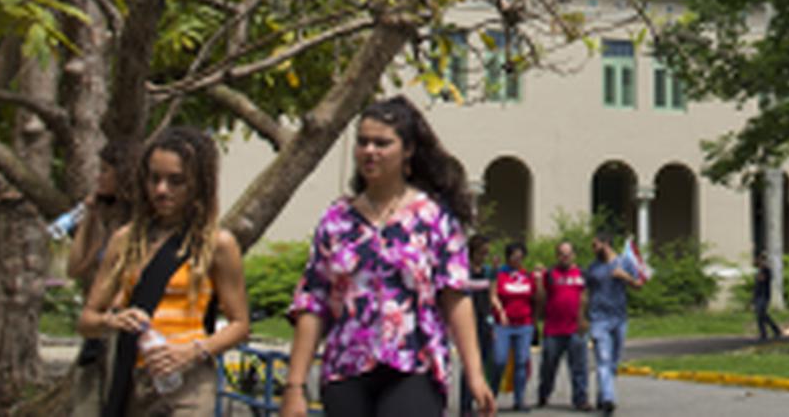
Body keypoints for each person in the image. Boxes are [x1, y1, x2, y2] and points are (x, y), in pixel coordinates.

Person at [283, 97, 493, 417]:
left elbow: (454, 296)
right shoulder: (336, 220)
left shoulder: (433, 217)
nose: (370, 150)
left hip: (414, 365)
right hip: (346, 368)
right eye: (363, 142)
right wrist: (294, 387)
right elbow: (313, 301)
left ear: (407, 150)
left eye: (382, 143)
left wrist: (475, 375)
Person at [80, 127, 251, 417]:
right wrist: (112, 321)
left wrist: (193, 351)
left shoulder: (217, 244)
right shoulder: (125, 240)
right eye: (154, 178)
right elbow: (87, 320)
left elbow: (240, 325)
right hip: (133, 378)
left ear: (198, 184)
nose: (161, 190)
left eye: (176, 181)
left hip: (189, 382)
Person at [63, 140, 135, 417]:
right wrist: (88, 218)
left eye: (105, 170)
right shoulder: (107, 220)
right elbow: (75, 268)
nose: (99, 177)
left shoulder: (137, 226)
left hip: (121, 325)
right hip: (97, 328)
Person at [582, 235, 646, 415]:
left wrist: (625, 276)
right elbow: (585, 293)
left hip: (619, 318)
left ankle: (602, 395)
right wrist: (583, 317)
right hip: (598, 319)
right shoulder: (593, 267)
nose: (593, 249)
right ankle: (609, 399)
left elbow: (639, 285)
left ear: (606, 244)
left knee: (613, 362)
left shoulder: (624, 262)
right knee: (603, 359)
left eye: (596, 245)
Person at [536, 242, 589, 409]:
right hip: (553, 328)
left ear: (573, 255)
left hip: (576, 327)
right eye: (561, 254)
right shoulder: (550, 274)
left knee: (579, 366)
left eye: (568, 254)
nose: (565, 257)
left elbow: (586, 296)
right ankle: (544, 394)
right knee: (548, 365)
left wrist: (584, 319)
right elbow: (541, 298)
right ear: (557, 256)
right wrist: (539, 280)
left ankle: (580, 399)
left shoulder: (582, 273)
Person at [492, 241, 537, 411]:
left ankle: (519, 400)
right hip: (503, 325)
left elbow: (535, 297)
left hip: (524, 324)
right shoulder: (500, 275)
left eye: (520, 256)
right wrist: (500, 312)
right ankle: (491, 396)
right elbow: (492, 295)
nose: (517, 259)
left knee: (521, 361)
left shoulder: (527, 276)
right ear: (508, 257)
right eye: (514, 256)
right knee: (499, 360)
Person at [462, 240, 500, 417]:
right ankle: (465, 406)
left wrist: (499, 313)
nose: (484, 256)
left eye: (486, 252)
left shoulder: (488, 272)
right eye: (482, 252)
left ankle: (483, 402)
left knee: (485, 362)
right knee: (470, 364)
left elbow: (492, 296)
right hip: (468, 320)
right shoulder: (463, 270)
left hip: (485, 320)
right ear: (473, 251)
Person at [750, 252, 780, 343]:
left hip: (764, 295)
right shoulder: (758, 271)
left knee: (760, 314)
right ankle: (775, 329)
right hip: (758, 295)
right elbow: (756, 285)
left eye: (761, 260)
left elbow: (763, 279)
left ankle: (764, 333)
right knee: (762, 315)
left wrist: (762, 269)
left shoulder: (766, 270)